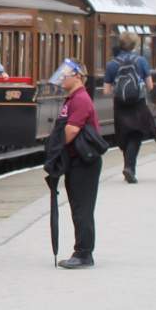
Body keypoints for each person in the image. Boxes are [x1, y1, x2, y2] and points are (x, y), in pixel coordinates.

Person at [52, 59, 102, 269]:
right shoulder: (72, 98)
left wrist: (54, 148)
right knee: (78, 206)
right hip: (76, 160)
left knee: (82, 207)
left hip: (84, 162)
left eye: (67, 74)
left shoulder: (80, 100)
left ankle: (83, 253)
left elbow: (72, 129)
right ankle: (81, 250)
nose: (63, 77)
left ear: (78, 77)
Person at [104, 34, 155, 185]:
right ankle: (129, 167)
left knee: (124, 135)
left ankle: (128, 166)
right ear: (135, 45)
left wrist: (119, 90)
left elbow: (106, 90)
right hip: (138, 103)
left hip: (120, 105)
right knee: (136, 134)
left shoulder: (112, 64)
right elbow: (150, 85)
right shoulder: (141, 61)